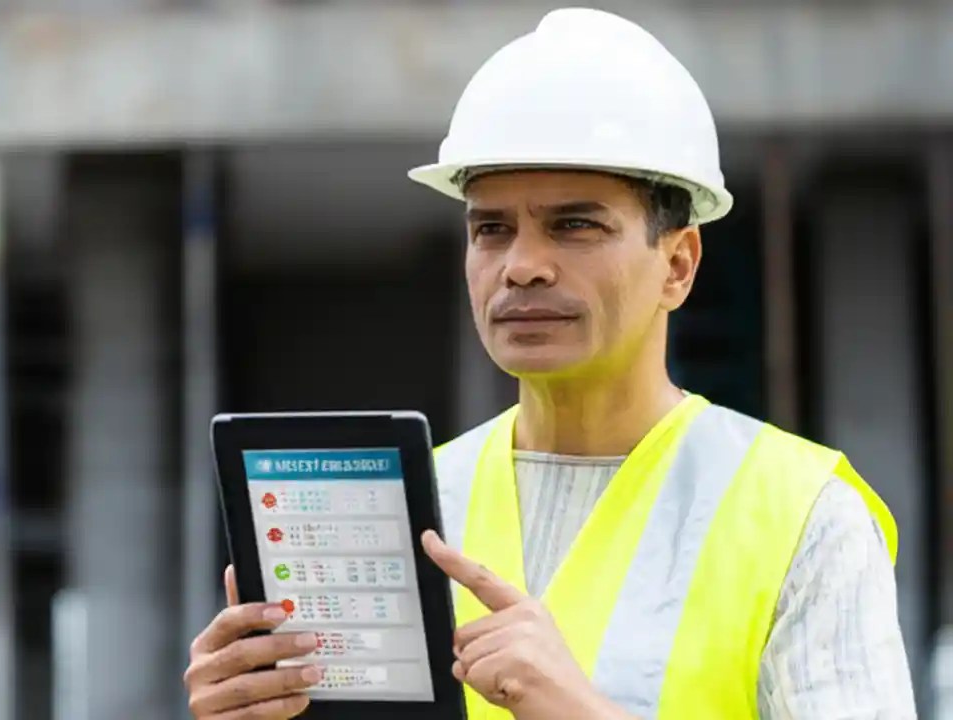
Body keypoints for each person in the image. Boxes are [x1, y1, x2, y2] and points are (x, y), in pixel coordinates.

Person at [183, 7, 917, 719]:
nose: (522, 266)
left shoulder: (802, 517)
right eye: (492, 230)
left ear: (679, 264)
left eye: (575, 225)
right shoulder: (405, 508)